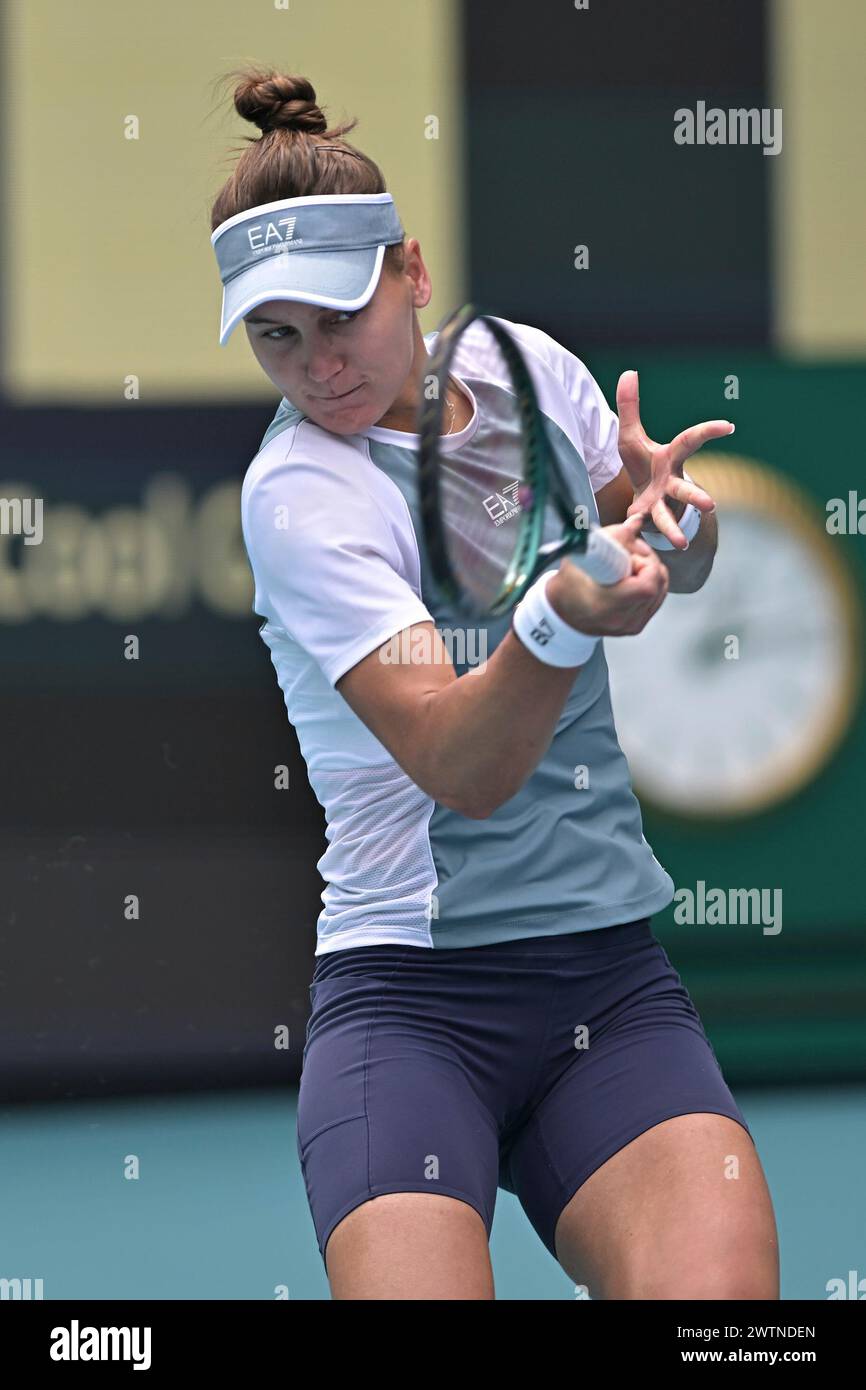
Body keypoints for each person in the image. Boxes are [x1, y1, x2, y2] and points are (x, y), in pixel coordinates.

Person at [210, 66, 779, 1301]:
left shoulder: (528, 371)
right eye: (276, 336)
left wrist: (672, 524)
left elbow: (665, 568)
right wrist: (559, 616)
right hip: (409, 1009)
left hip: (608, 984)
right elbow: (457, 766)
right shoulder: (299, 495)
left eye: (339, 317)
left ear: (411, 272)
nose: (317, 366)